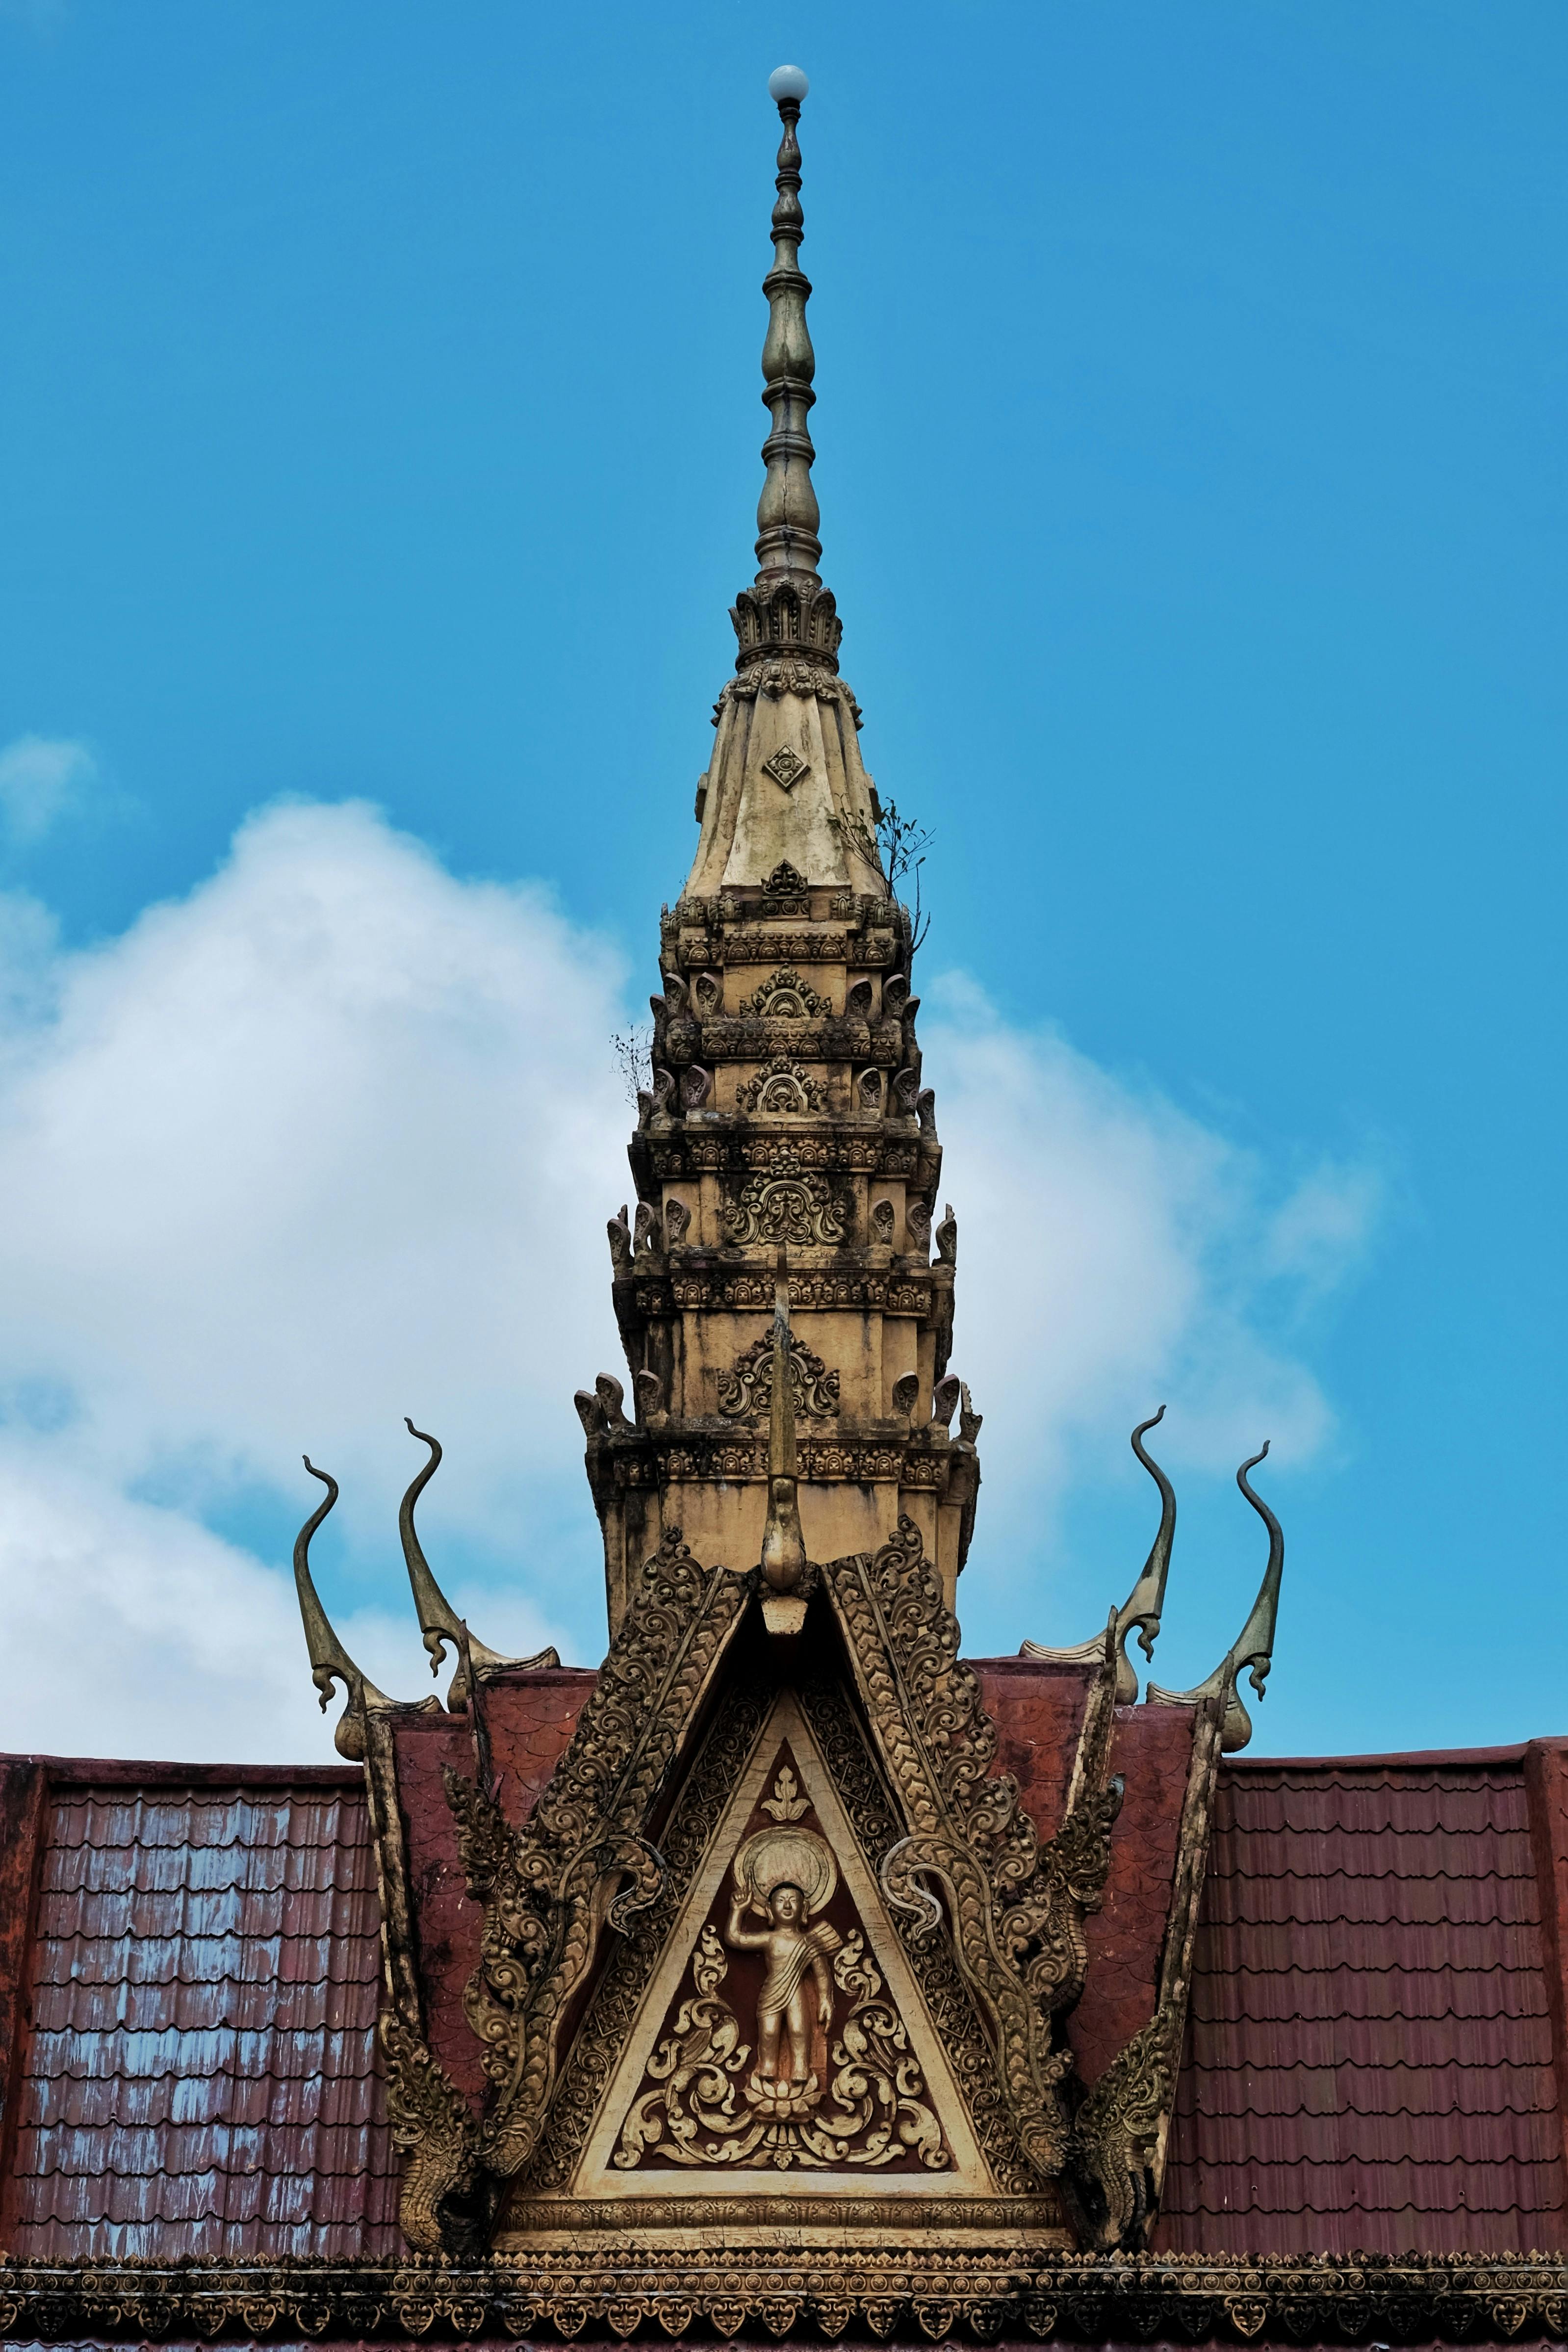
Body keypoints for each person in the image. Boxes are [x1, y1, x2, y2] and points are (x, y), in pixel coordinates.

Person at [724, 1876, 841, 2090]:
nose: (787, 1905)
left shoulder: (808, 1942)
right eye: (781, 1900)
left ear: (804, 1908)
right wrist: (737, 1911)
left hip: (796, 1993)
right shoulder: (770, 1939)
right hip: (771, 1993)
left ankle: (800, 2068)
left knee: (799, 2030)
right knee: (769, 2032)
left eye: (793, 1901)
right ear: (769, 1910)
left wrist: (825, 1999)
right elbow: (736, 1938)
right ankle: (768, 2067)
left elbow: (822, 1972)